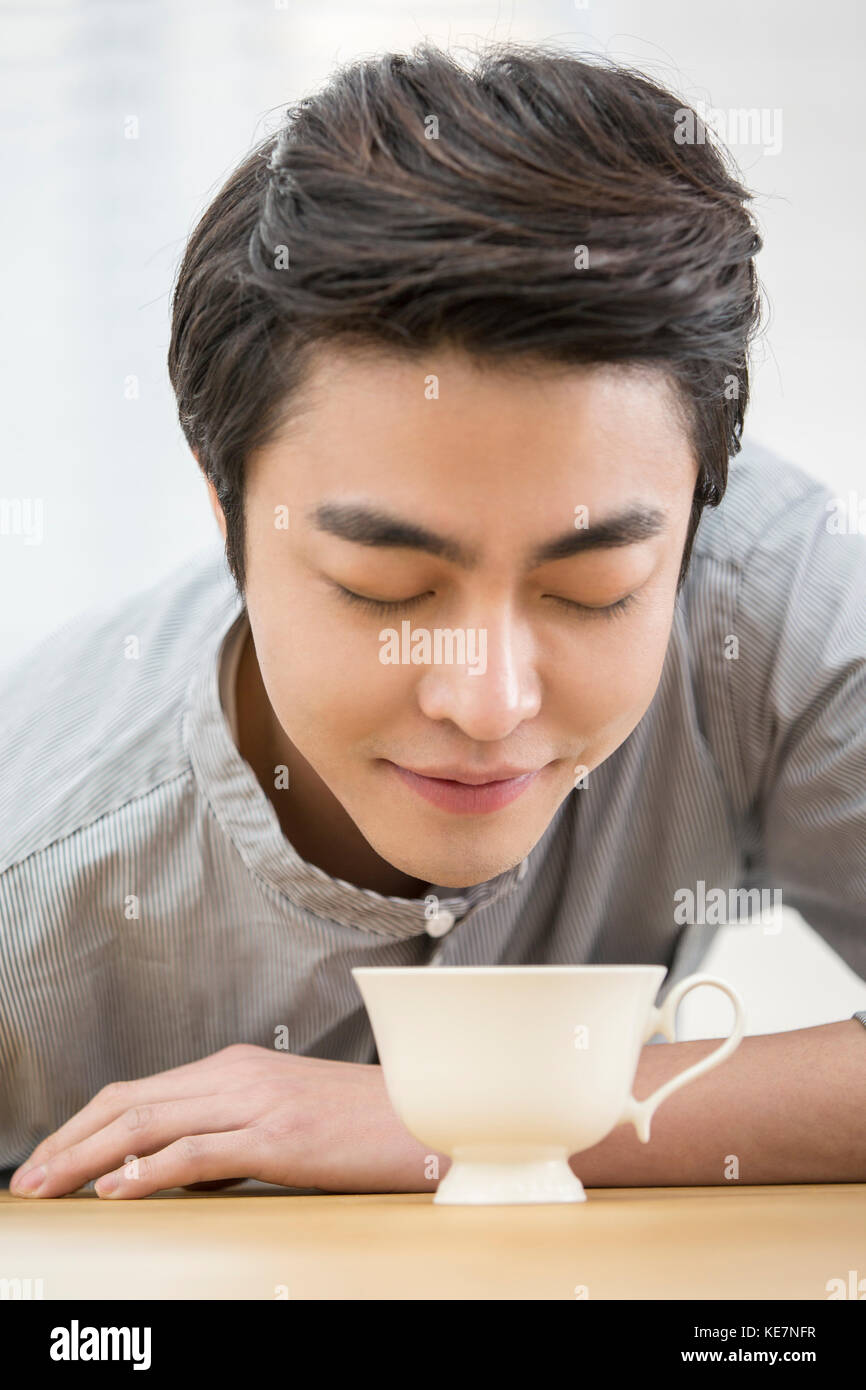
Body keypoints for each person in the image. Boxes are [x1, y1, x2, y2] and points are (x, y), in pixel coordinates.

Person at [2, 44, 864, 1201]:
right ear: (227, 513)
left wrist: (467, 1121)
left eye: (594, 590)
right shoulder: (35, 873)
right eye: (384, 587)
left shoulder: (756, 587)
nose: (489, 698)